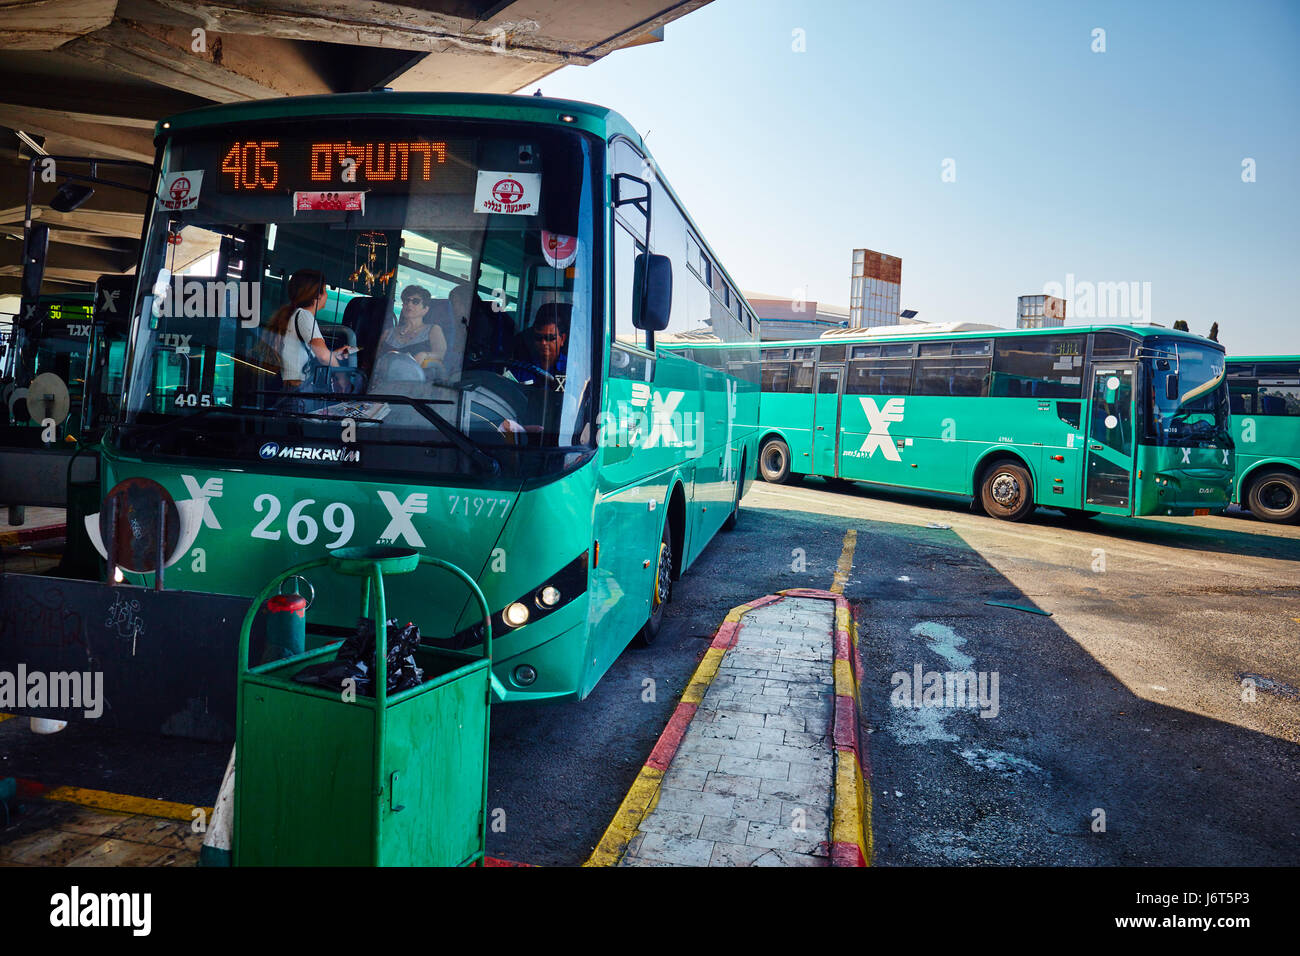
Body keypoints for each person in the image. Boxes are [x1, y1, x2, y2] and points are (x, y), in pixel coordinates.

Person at [263, 269, 352, 410]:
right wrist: (342, 378)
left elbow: (303, 356)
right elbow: (323, 356)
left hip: (292, 391)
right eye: (325, 290)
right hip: (298, 394)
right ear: (317, 296)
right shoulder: (304, 316)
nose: (327, 295)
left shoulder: (295, 314)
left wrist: (333, 355)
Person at [379, 284, 447, 371]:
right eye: (406, 301)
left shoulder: (433, 329)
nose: (409, 304)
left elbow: (440, 354)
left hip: (415, 381)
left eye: (415, 301)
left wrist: (425, 355)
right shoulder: (388, 333)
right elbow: (375, 358)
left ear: (425, 309)